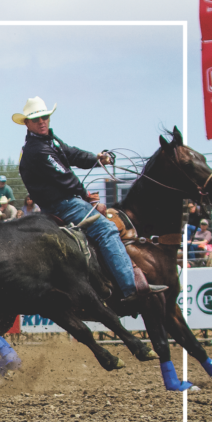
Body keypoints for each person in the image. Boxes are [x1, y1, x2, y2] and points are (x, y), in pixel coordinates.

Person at [14, 95, 165, 302]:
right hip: (62, 205)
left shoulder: (49, 141)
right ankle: (131, 288)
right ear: (27, 123)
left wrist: (96, 158)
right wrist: (84, 194)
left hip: (65, 201)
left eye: (45, 117)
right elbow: (63, 176)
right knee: (106, 229)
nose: (42, 121)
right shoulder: (37, 150)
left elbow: (73, 154)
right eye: (36, 119)